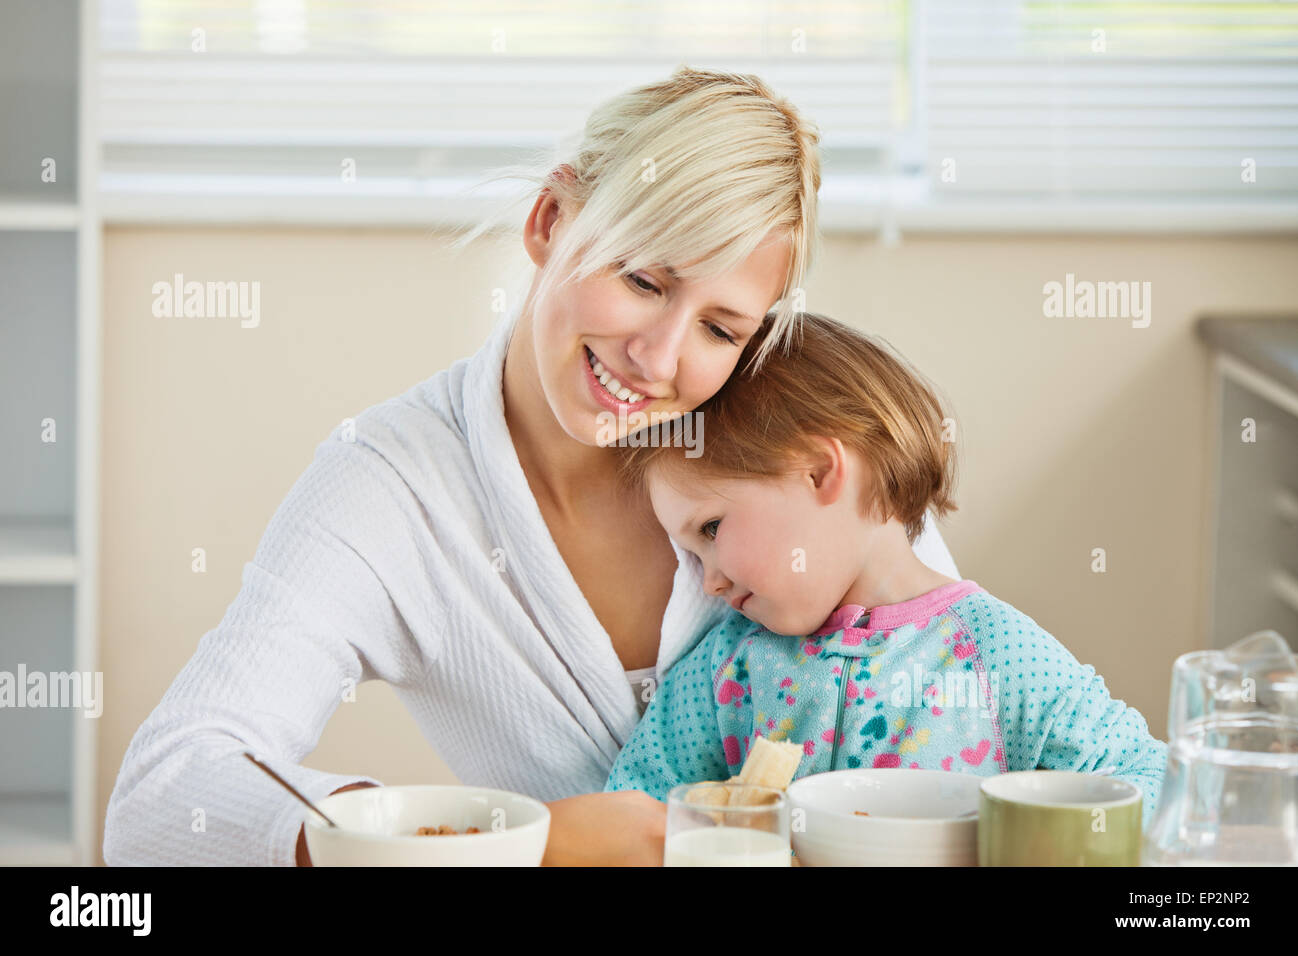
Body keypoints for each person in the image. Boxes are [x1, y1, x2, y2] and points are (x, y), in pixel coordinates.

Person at [102, 67, 959, 867]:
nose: (658, 358)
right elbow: (164, 797)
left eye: (721, 329)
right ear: (551, 221)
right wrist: (478, 840)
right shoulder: (393, 486)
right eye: (644, 279)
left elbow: (959, 680)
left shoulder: (806, 451)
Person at [604, 312, 1168, 828]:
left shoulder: (998, 655)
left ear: (820, 472)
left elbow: (1148, 781)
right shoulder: (726, 671)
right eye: (693, 555)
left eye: (711, 530)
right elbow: (632, 809)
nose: (710, 581)